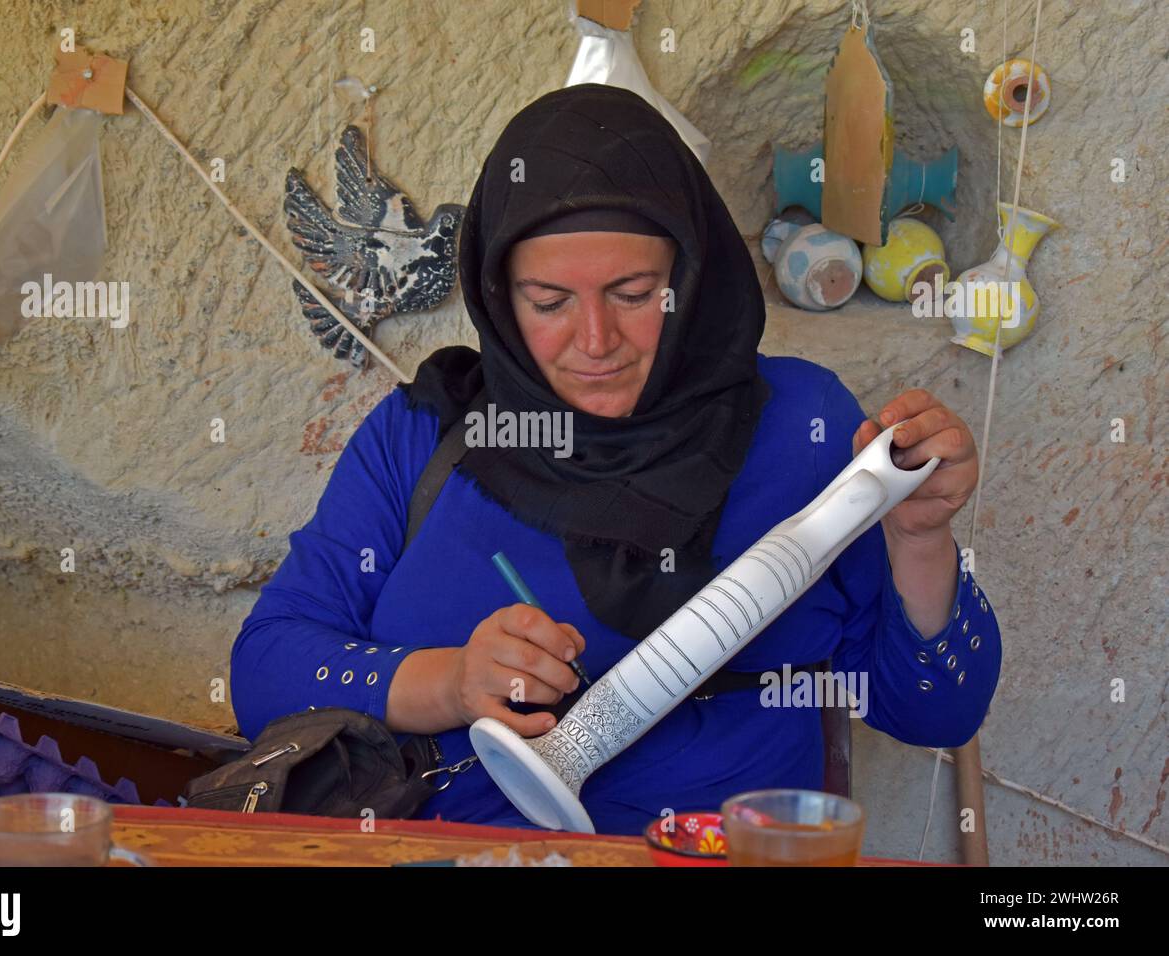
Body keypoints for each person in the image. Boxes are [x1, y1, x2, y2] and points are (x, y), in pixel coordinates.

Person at [230, 84, 1001, 836]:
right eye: (549, 302)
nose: (595, 341)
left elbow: (936, 709)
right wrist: (451, 683)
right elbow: (265, 670)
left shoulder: (802, 429)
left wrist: (921, 539)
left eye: (634, 292)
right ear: (498, 295)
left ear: (691, 279)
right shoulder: (428, 435)